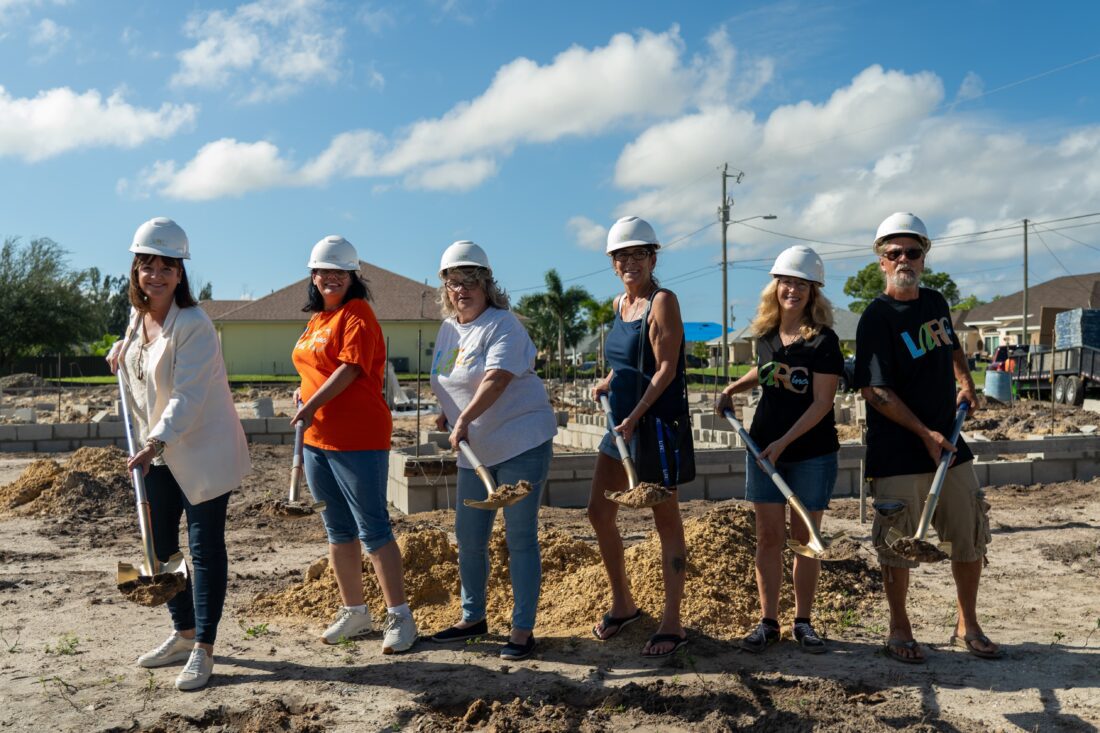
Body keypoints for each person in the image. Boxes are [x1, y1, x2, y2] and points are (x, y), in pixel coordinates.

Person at [108, 217, 251, 691]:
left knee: (205, 550)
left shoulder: (195, 324)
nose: (157, 275)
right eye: (148, 265)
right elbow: (145, 365)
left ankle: (205, 649)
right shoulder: (137, 318)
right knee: (161, 547)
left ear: (180, 273)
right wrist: (122, 351)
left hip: (198, 450)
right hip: (157, 453)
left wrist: (156, 441)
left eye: (167, 267)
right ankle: (183, 632)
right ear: (136, 271)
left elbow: (186, 396)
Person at [854, 212, 999, 664]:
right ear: (881, 261)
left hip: (949, 445)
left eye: (912, 251)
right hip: (898, 451)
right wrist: (923, 432)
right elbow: (874, 391)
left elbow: (952, 344)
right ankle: (899, 627)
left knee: (968, 534)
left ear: (925, 256)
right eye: (893, 252)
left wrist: (965, 381)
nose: (904, 259)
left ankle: (967, 623)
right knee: (898, 546)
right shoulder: (875, 318)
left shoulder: (935, 301)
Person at [426, 241, 556, 661]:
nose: (461, 289)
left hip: (520, 442)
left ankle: (522, 630)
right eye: (453, 282)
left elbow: (496, 379)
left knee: (519, 537)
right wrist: (449, 414)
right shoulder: (449, 330)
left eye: (470, 281)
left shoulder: (504, 325)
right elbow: (449, 380)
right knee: (469, 537)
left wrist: (464, 419)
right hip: (476, 451)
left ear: (486, 284)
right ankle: (473, 618)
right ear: (444, 287)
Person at [291, 235, 417, 654]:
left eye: (338, 272)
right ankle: (356, 611)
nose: (329, 278)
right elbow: (317, 368)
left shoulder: (357, 313)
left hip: (357, 438)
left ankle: (400, 616)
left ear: (352, 276)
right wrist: (301, 391)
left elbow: (348, 370)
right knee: (338, 529)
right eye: (323, 271)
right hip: (317, 439)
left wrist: (312, 402)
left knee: (373, 528)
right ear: (313, 275)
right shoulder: (316, 320)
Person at [714, 246, 842, 654]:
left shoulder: (824, 341)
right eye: (787, 282)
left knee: (805, 538)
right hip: (764, 449)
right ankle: (768, 622)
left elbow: (823, 403)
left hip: (810, 453)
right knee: (768, 537)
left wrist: (783, 443)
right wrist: (733, 388)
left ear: (813, 292)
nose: (793, 290)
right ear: (775, 286)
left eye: (801, 284)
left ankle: (803, 621)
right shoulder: (767, 334)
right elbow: (767, 371)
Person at [589, 216, 689, 658]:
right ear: (613, 263)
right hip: (622, 425)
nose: (629, 262)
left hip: (656, 427)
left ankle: (672, 621)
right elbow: (629, 362)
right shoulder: (618, 305)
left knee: (665, 521)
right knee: (598, 512)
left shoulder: (662, 302)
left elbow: (665, 369)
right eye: (621, 256)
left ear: (652, 258)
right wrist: (609, 381)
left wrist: (635, 416)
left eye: (638, 255)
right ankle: (624, 604)